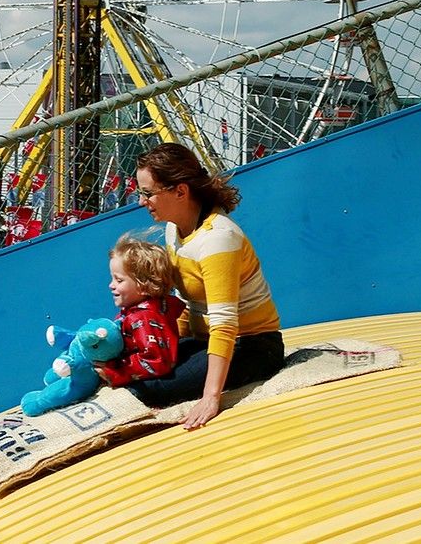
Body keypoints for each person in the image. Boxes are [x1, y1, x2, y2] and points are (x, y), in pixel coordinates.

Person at [129, 142, 284, 430]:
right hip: (205, 340)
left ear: (180, 191)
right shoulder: (174, 229)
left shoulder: (217, 239)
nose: (141, 202)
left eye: (148, 193)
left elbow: (225, 324)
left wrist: (211, 397)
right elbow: (188, 305)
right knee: (139, 365)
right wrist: (171, 346)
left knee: (151, 388)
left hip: (253, 346)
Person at [97, 234, 185, 388]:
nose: (111, 285)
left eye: (119, 280)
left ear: (143, 284)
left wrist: (115, 372)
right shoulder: (136, 311)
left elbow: (156, 361)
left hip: (154, 382)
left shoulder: (143, 318)